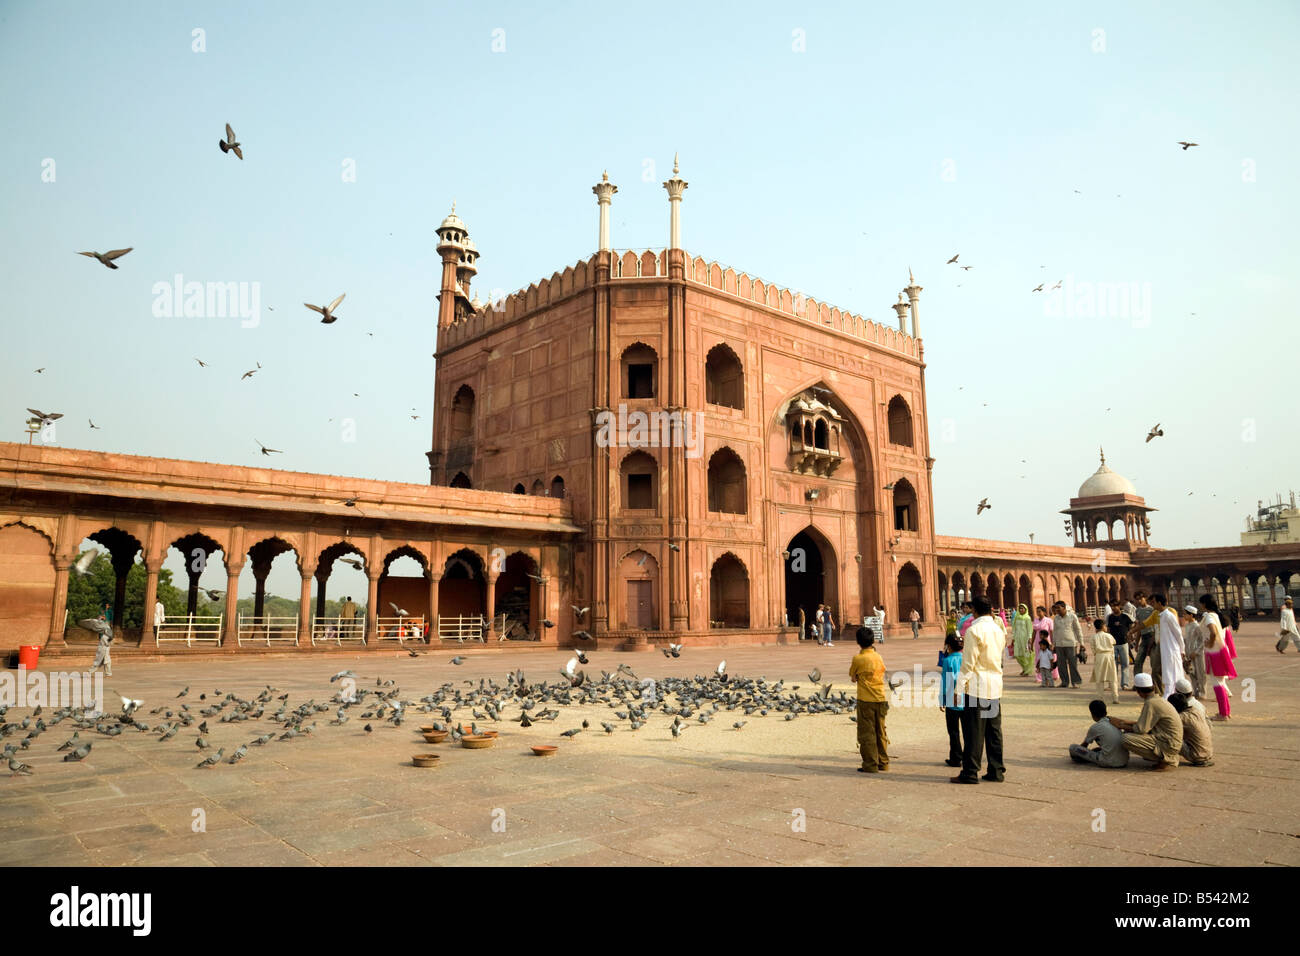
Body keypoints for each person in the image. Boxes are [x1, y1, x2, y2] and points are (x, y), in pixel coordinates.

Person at [951, 597, 1005, 784]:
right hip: (995, 686)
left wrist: (958, 689)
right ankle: (996, 770)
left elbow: (968, 665)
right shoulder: (999, 630)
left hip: (977, 687)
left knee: (974, 731)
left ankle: (970, 772)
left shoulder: (974, 631)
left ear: (973, 610)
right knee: (993, 731)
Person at [1110, 672, 1182, 771]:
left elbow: (1141, 729)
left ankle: (1167, 759)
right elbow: (1146, 724)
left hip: (1168, 744)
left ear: (1139, 692)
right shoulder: (1158, 699)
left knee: (1125, 738)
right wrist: (1124, 722)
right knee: (1129, 732)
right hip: (1170, 741)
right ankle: (1166, 756)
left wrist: (1120, 725)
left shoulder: (1151, 703)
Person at [849, 626, 889, 773]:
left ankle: (870, 764)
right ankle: (883, 762)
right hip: (880, 697)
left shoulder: (858, 658)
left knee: (867, 732)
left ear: (858, 642)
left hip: (865, 699)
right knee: (881, 731)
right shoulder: (878, 656)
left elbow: (853, 678)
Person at [1068, 699, 1130, 767]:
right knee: (1101, 748)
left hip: (1108, 762)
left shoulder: (1095, 727)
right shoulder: (1114, 722)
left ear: (1092, 714)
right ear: (1106, 712)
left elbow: (1084, 745)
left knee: (1073, 748)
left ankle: (1092, 758)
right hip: (1124, 761)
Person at [1200, 598, 1233, 721]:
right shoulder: (1215, 615)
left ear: (1204, 604)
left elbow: (1213, 633)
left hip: (1214, 653)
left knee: (1217, 683)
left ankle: (1223, 714)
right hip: (1220, 651)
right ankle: (1225, 712)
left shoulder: (1209, 617)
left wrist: (1210, 643)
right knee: (1221, 683)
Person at [1149, 594, 1186, 701]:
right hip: (1166, 649)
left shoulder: (1169, 615)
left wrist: (1182, 649)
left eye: (1154, 602)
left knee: (1173, 673)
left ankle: (1170, 696)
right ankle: (1171, 695)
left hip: (1172, 650)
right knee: (1168, 672)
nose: (1153, 604)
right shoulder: (1161, 616)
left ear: (1160, 603)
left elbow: (1178, 633)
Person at [938, 633, 964, 767]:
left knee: (953, 732)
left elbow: (945, 682)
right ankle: (969, 756)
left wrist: (941, 699)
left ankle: (956, 757)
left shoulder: (947, 661)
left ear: (948, 646)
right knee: (968, 731)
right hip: (967, 699)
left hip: (951, 700)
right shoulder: (966, 658)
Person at [1169, 691, 1214, 766]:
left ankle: (1167, 759)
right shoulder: (1196, 710)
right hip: (1209, 752)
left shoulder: (1181, 717)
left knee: (1168, 735)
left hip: (1196, 756)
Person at [1129, 592, 1162, 694]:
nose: (1139, 601)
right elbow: (1139, 626)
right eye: (1137, 599)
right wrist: (1137, 642)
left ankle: (1154, 685)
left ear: (1145, 598)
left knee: (1154, 664)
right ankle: (1138, 684)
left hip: (1152, 637)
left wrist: (1153, 640)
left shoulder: (1152, 609)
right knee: (1138, 661)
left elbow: (1156, 627)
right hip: (1144, 638)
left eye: (1140, 598)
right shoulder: (1138, 611)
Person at [1050, 601, 1084, 688]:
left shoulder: (1072, 616)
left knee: (1073, 664)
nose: (1057, 610)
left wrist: (1081, 643)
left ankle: (1075, 682)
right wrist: (1053, 643)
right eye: (1056, 608)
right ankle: (1064, 682)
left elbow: (1078, 630)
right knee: (1061, 665)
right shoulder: (1056, 618)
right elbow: (1055, 631)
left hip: (1071, 643)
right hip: (1059, 644)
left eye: (1059, 608)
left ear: (1064, 608)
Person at [1091, 618, 1120, 703]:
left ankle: (1101, 698)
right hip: (1109, 656)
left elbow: (1093, 649)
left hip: (1099, 656)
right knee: (1112, 678)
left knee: (1099, 679)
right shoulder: (1109, 636)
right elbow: (1113, 642)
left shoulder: (1094, 637)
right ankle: (1115, 698)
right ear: (1103, 626)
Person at [1105, 603, 1133, 689]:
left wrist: (1130, 635)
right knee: (1113, 665)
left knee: (1125, 664)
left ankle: (1125, 684)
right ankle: (1112, 684)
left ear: (1119, 606)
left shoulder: (1125, 616)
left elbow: (1132, 625)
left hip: (1123, 643)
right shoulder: (1110, 617)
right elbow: (1108, 629)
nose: (1113, 608)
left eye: (1114, 606)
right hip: (1113, 644)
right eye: (1112, 606)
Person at [1181, 605, 1206, 699]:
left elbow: (1203, 640)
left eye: (1185, 614)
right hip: (1189, 653)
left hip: (1197, 654)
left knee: (1200, 674)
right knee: (1191, 673)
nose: (1183, 616)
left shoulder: (1197, 626)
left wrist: (1196, 652)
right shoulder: (1187, 626)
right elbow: (1187, 639)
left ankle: (1202, 693)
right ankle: (1195, 691)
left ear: (1191, 615)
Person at [1010, 603, 1034, 676]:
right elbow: (1014, 629)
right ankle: (1025, 668)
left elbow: (1029, 628)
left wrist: (1030, 638)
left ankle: (1027, 670)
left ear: (1025, 609)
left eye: (1022, 608)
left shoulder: (1027, 618)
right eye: (1020, 608)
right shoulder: (1016, 618)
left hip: (1025, 638)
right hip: (1017, 638)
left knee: (1026, 654)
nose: (1021, 610)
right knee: (1017, 655)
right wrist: (1013, 638)